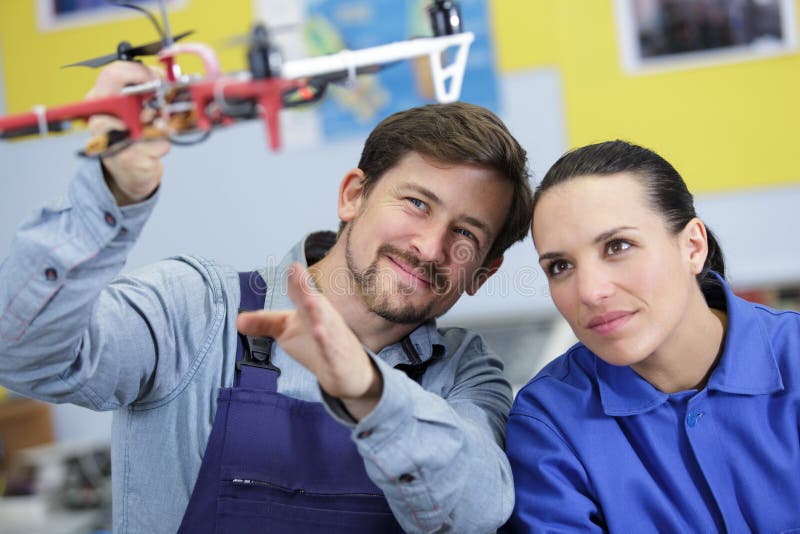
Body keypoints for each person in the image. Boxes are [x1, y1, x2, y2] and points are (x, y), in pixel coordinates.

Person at [0, 62, 534, 533]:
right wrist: (106, 198)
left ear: (482, 273)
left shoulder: (464, 375)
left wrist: (370, 393)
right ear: (353, 195)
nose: (430, 246)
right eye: (417, 203)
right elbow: (23, 356)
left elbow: (474, 516)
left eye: (465, 234)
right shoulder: (198, 311)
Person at [503, 139, 800, 532]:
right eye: (560, 266)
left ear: (692, 247)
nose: (590, 292)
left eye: (618, 246)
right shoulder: (548, 424)